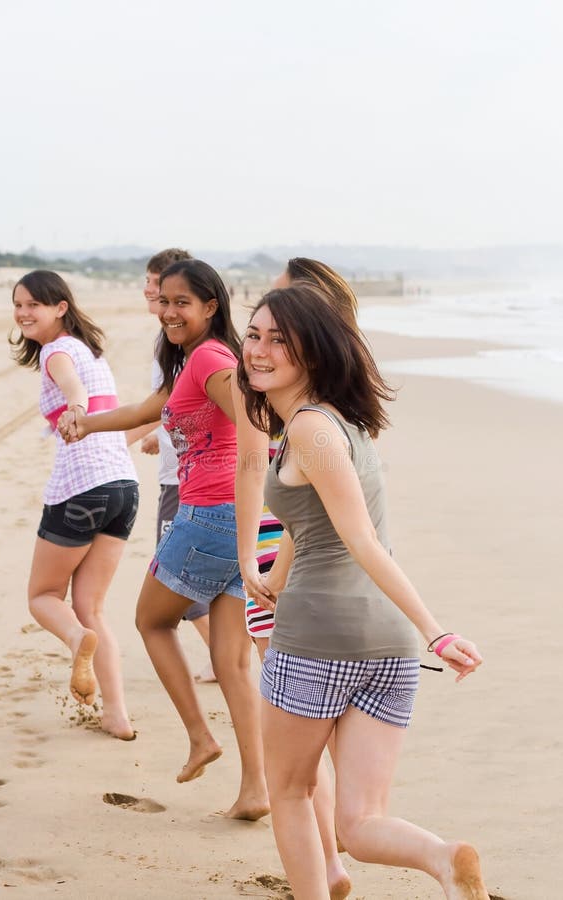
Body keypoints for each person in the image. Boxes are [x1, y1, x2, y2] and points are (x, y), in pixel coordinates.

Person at [237, 283, 489, 900]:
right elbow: (315, 519)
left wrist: (439, 630)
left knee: (291, 790)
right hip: (389, 646)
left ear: (313, 354)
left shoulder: (309, 431)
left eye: (279, 341)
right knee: (361, 823)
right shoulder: (342, 423)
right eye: (255, 335)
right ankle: (441, 856)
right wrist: (276, 575)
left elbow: (363, 541)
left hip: (320, 638)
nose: (259, 351)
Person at [58, 259, 269, 819]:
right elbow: (147, 410)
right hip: (236, 522)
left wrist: (246, 489)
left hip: (210, 515)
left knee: (151, 621)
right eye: (164, 301)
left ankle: (201, 736)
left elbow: (255, 428)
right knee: (232, 663)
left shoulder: (210, 358)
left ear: (210, 307)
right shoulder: (196, 363)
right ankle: (255, 789)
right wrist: (85, 421)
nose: (169, 312)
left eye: (183, 303)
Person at [232, 258, 361, 899]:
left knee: (294, 737)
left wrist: (250, 561)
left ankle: (327, 867)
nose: (266, 334)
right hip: (334, 578)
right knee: (324, 732)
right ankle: (334, 853)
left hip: (282, 557)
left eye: (282, 319)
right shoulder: (342, 397)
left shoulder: (287, 400)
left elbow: (253, 472)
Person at [9, 270, 139, 741]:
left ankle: (73, 640)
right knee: (92, 608)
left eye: (33, 305)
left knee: (44, 598)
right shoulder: (92, 353)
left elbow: (70, 388)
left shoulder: (57, 351)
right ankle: (117, 715)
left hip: (82, 488)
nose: (23, 313)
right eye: (18, 304)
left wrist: (76, 408)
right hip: (124, 489)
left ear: (60, 307)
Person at [129, 247, 215, 684]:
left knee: (178, 583)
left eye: (154, 282)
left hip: (186, 484)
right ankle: (231, 659)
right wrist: (151, 436)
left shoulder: (189, 347)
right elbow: (174, 410)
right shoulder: (174, 343)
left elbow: (162, 406)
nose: (149, 290)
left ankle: (225, 657)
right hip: (180, 474)